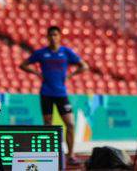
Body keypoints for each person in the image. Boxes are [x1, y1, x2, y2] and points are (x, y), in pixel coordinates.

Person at [19, 26, 88, 165]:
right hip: (46, 93)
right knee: (48, 126)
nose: (53, 37)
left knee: (70, 124)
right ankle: (49, 155)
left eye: (55, 35)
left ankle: (71, 155)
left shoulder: (66, 52)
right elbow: (23, 65)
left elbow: (84, 66)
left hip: (61, 94)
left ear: (60, 36)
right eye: (50, 35)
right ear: (47, 37)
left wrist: (70, 75)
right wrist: (37, 73)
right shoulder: (41, 53)